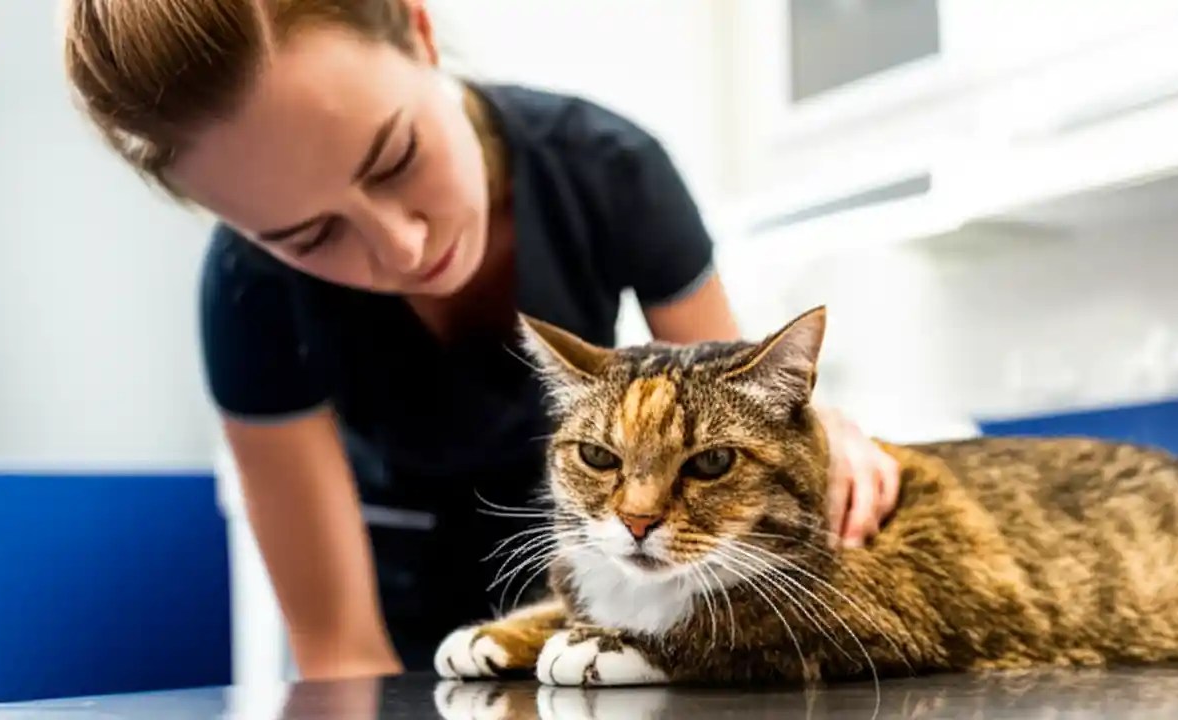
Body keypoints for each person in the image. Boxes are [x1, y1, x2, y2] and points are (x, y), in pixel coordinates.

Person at [61, 0, 902, 681]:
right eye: (309, 237)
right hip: (405, 638)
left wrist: (827, 438)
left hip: (610, 603)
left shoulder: (608, 171)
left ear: (419, 30)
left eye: (394, 159)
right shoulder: (246, 295)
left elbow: (736, 416)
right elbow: (340, 651)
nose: (402, 249)